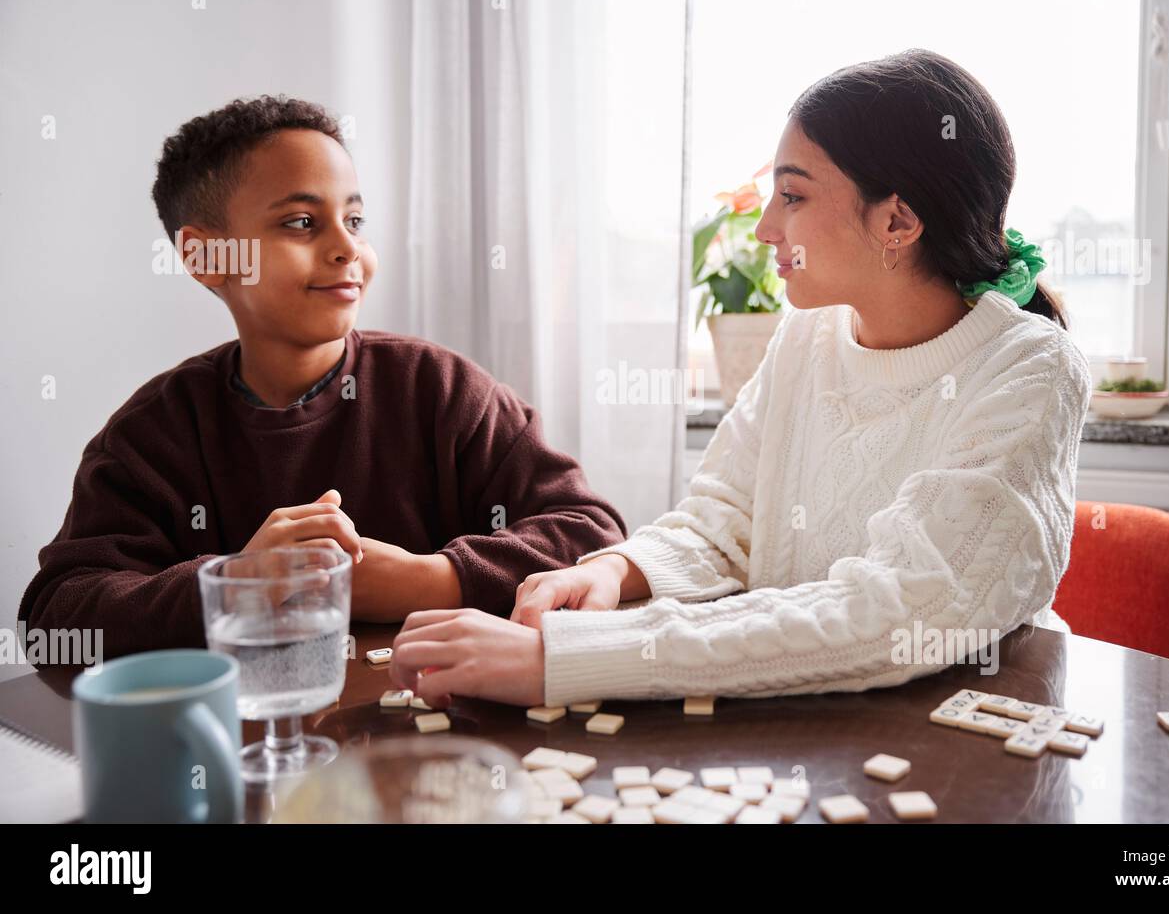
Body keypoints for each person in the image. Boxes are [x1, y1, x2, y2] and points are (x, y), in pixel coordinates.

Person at [388, 49, 1092, 709]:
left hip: (969, 750)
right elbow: (724, 522)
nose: (763, 229)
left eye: (792, 196)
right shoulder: (806, 339)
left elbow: (892, 611)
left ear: (897, 221)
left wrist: (566, 661)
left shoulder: (1029, 370)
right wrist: (613, 570)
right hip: (811, 731)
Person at [20, 95, 626, 660]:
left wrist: (424, 580)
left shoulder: (439, 389)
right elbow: (57, 617)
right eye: (301, 224)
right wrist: (232, 584)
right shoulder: (155, 434)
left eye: (355, 220)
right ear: (206, 258)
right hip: (247, 752)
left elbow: (590, 530)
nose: (346, 248)